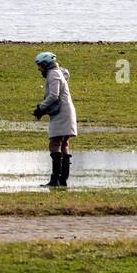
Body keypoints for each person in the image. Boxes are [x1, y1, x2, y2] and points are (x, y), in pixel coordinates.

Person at [33, 52, 78, 188]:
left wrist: (41, 108)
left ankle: (55, 180)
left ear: (46, 65)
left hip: (61, 114)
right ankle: (62, 180)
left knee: (55, 143)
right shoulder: (57, 73)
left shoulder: (53, 75)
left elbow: (53, 95)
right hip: (66, 112)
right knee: (64, 143)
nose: (39, 69)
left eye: (40, 66)